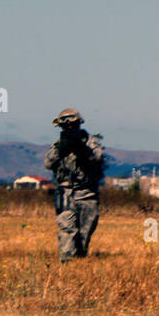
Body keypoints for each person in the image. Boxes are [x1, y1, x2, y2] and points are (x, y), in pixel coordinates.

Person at [44, 108, 105, 261]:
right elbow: (48, 163)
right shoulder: (58, 145)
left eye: (73, 124)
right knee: (67, 228)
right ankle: (67, 260)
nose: (69, 128)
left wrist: (81, 148)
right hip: (66, 192)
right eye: (65, 126)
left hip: (87, 192)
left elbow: (98, 158)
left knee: (85, 232)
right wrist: (61, 150)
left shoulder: (91, 142)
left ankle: (80, 256)